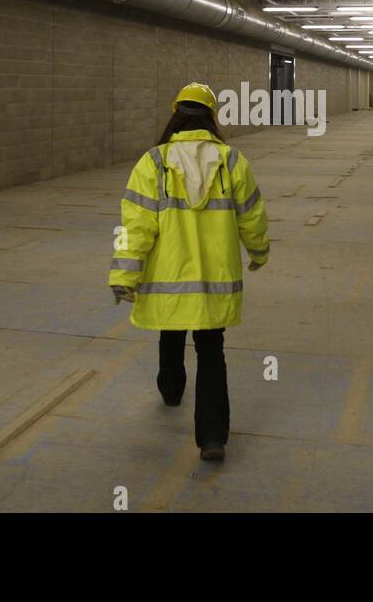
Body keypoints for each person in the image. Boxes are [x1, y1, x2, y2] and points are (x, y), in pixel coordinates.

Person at [108, 82, 270, 462]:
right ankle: (212, 437)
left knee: (171, 328)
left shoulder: (153, 162)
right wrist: (259, 252)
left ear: (175, 114)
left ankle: (171, 388)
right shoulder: (232, 161)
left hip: (169, 277)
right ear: (212, 118)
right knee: (212, 351)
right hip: (216, 280)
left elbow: (135, 226)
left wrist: (124, 275)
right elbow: (252, 215)